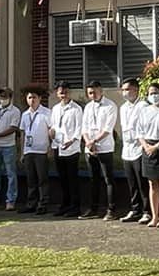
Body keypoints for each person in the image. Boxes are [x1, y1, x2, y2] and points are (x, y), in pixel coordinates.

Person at [79, 79, 118, 220]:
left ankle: (111, 209)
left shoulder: (110, 106)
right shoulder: (88, 107)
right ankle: (93, 208)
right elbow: (84, 127)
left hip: (105, 147)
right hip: (90, 148)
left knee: (108, 179)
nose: (93, 95)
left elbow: (108, 129)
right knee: (93, 179)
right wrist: (88, 143)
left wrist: (94, 141)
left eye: (95, 92)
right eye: (90, 93)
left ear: (101, 91)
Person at [115, 79, 152, 223]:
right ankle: (135, 209)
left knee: (142, 182)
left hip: (139, 147)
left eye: (128, 89)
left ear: (136, 90)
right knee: (131, 182)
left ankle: (147, 211)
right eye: (123, 90)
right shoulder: (123, 107)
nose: (125, 92)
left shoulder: (143, 106)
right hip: (127, 149)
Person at [135, 83, 159, 225]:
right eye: (151, 93)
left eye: (156, 92)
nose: (154, 96)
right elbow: (139, 131)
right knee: (152, 183)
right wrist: (146, 146)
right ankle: (155, 215)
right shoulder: (144, 111)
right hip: (147, 147)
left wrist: (156, 147)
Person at [49, 84, 84, 217]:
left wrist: (72, 140)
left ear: (70, 92)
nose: (63, 94)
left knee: (72, 178)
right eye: (60, 92)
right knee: (62, 178)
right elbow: (54, 125)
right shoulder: (55, 108)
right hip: (58, 146)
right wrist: (51, 132)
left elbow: (79, 128)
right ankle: (65, 205)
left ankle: (75, 207)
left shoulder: (76, 109)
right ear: (57, 94)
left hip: (71, 148)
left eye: (65, 91)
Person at [0, 88, 22, 212]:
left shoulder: (15, 111)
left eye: (5, 96)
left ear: (10, 97)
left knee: (11, 174)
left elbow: (13, 128)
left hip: (9, 146)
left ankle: (10, 201)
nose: (2, 99)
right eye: (1, 96)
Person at [19, 89, 53, 213]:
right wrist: (22, 152)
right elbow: (23, 134)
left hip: (41, 151)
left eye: (34, 97)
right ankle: (31, 204)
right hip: (29, 151)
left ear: (39, 98)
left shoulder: (46, 113)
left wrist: (50, 148)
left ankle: (43, 204)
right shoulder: (25, 114)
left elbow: (51, 131)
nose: (32, 100)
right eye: (29, 98)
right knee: (31, 179)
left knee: (42, 179)